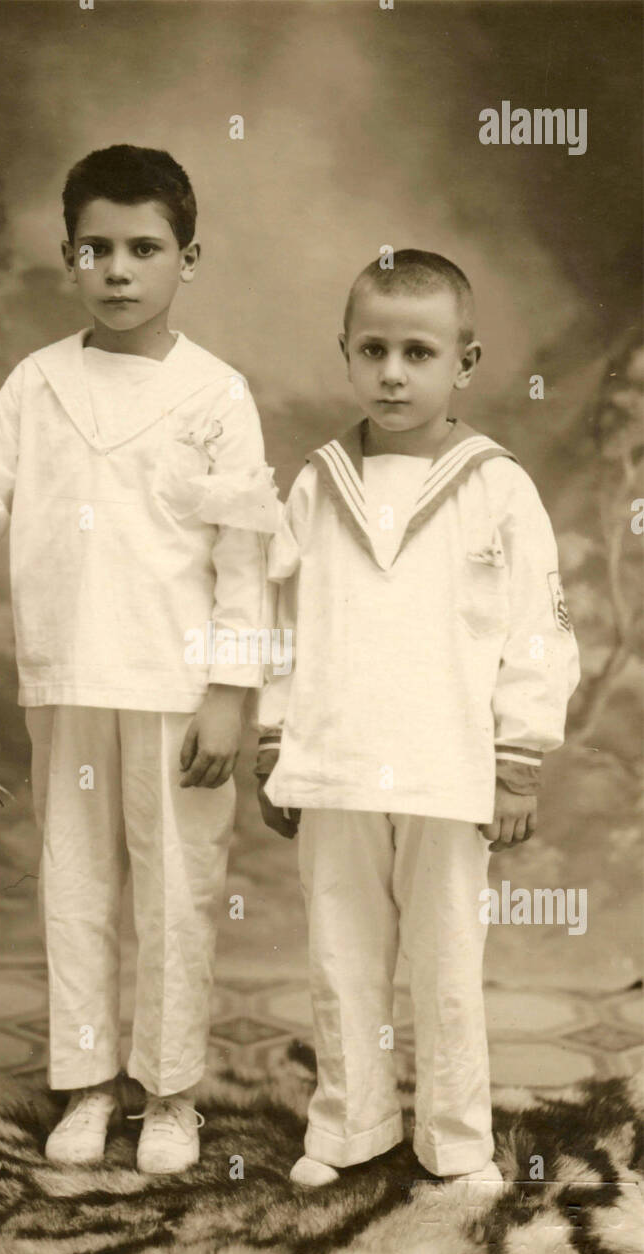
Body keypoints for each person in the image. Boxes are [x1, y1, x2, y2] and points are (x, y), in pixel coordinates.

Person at [0, 144, 279, 1173]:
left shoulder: (215, 395)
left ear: (187, 257)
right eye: (95, 247)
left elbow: (246, 561)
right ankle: (90, 1083)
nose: (118, 268)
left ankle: (170, 1095)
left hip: (179, 686)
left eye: (143, 248)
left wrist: (234, 689)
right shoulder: (39, 380)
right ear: (68, 255)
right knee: (77, 885)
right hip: (69, 679)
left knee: (178, 890)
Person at [256, 249, 580, 1193]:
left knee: (444, 969)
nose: (393, 373)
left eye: (419, 352)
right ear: (347, 355)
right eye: (374, 350)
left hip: (446, 771)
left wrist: (517, 759)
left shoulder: (497, 487)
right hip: (340, 764)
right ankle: (349, 1127)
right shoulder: (316, 486)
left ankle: (455, 1141)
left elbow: (538, 627)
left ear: (464, 365)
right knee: (341, 959)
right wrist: (278, 740)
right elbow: (280, 623)